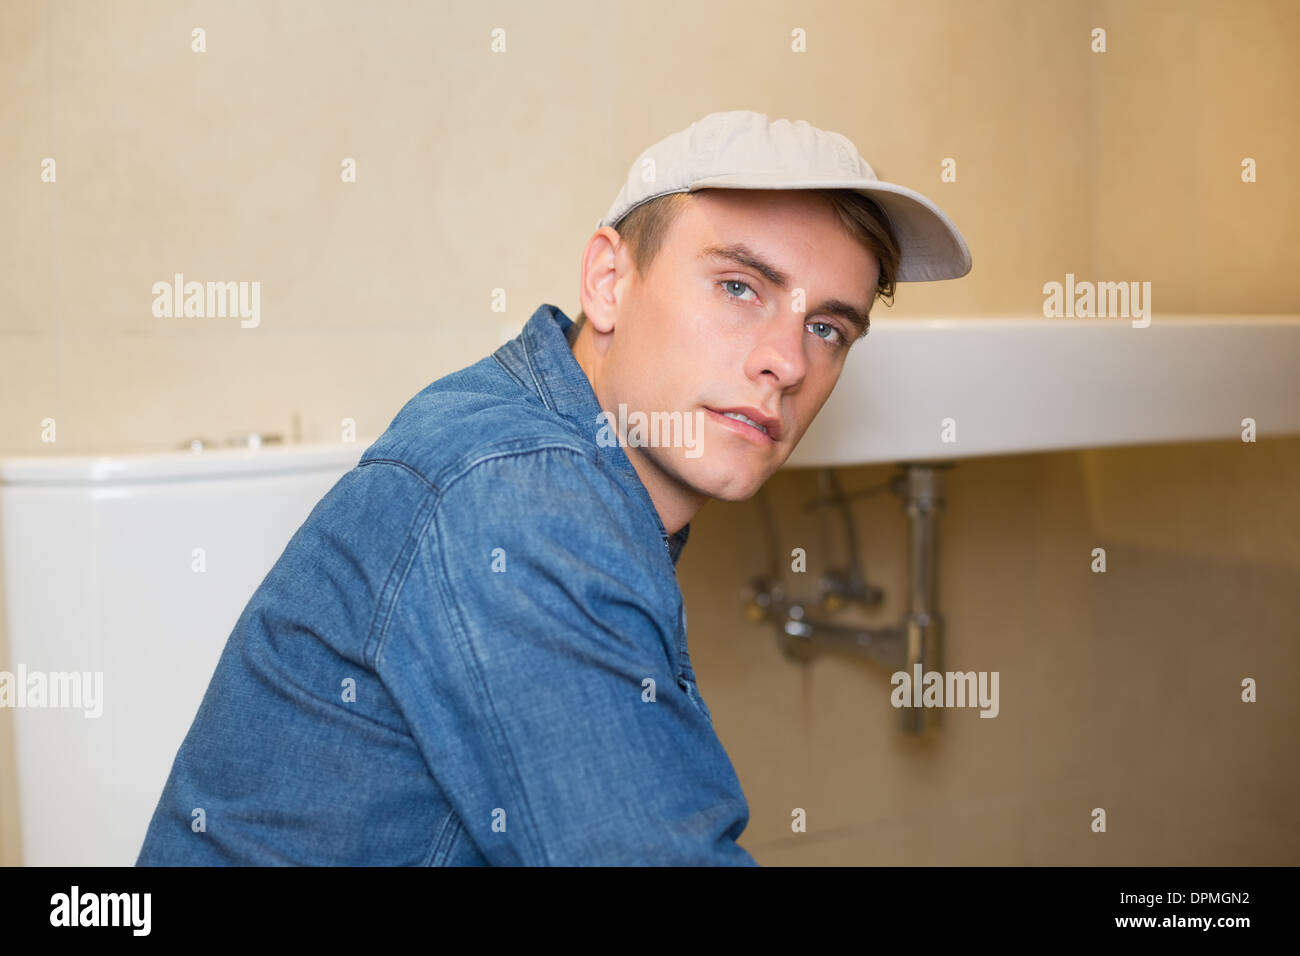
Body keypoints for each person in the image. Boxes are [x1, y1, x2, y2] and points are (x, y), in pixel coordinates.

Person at [135, 110, 971, 866]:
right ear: (608, 282)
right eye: (739, 287)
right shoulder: (517, 499)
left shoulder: (542, 438)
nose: (787, 362)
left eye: (827, 326)